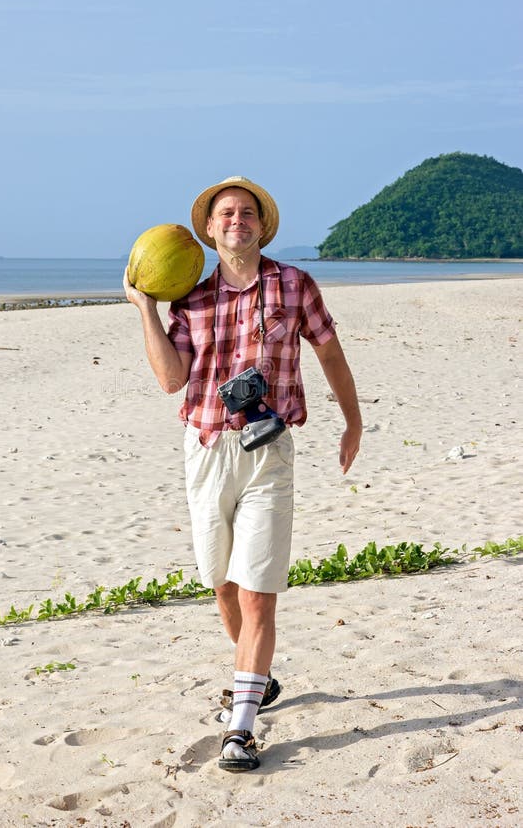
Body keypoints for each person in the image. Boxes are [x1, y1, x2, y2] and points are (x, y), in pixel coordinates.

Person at [124, 176, 362, 772]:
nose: (238, 219)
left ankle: (242, 726)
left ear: (262, 225)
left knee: (258, 595)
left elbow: (330, 351)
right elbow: (170, 379)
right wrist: (147, 312)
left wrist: (353, 422)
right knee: (223, 586)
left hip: (270, 453)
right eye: (226, 213)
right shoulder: (191, 300)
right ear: (209, 230)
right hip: (206, 449)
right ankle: (256, 674)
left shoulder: (294, 285)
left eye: (247, 212)